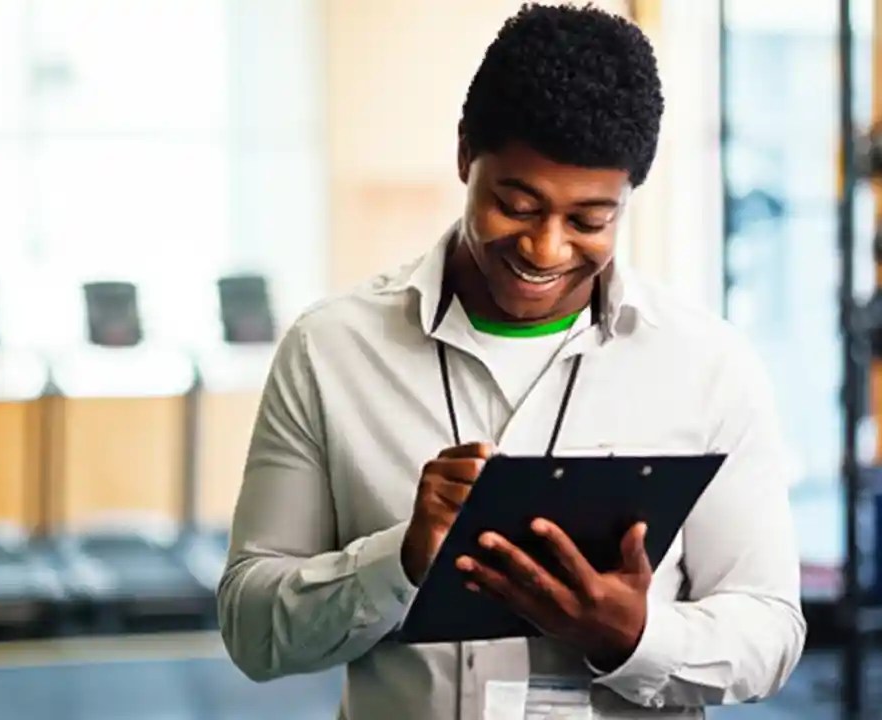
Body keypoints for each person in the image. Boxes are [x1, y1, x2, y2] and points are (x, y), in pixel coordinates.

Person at [217, 4, 805, 719]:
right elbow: (252, 631)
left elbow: (772, 631)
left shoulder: (708, 366)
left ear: (626, 199)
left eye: (590, 220)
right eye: (516, 204)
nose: (545, 249)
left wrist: (637, 635)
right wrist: (398, 560)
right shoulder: (330, 350)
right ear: (467, 156)